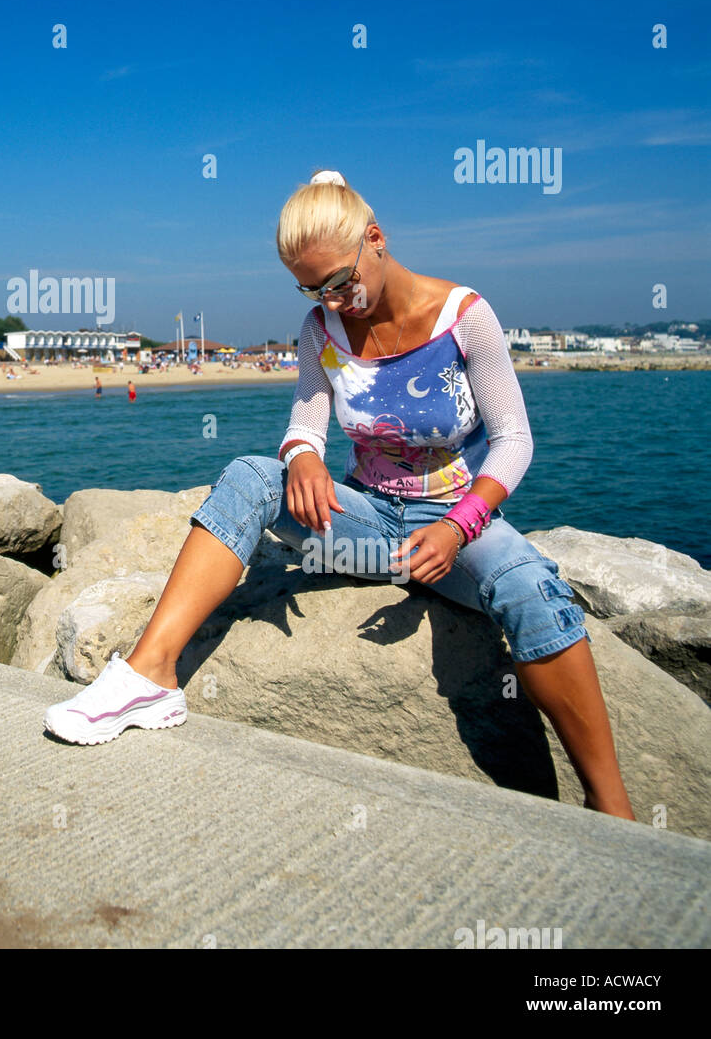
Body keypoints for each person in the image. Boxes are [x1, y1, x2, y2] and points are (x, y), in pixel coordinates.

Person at [44, 168, 636, 822]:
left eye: (338, 279)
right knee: (250, 473)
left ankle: (610, 806)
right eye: (310, 287)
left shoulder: (465, 317)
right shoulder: (322, 331)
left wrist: (457, 527)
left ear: (375, 239)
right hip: (368, 524)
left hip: (452, 526)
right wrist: (301, 461)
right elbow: (304, 429)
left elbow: (515, 441)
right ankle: (150, 675)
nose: (332, 297)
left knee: (529, 584)